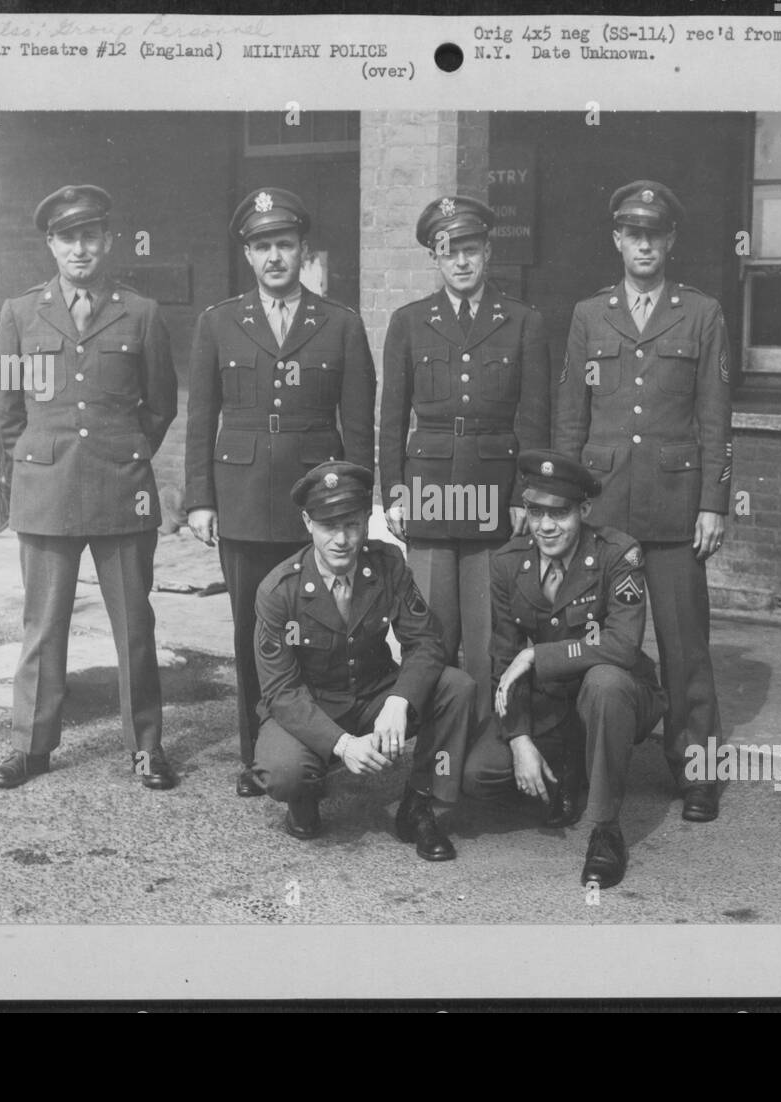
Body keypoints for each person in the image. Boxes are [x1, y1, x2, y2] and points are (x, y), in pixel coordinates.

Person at [0, 184, 179, 790]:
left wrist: (124, 448)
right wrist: (36, 453)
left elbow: (161, 404)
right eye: (67, 237)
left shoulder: (140, 311)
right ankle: (32, 747)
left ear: (108, 241)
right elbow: (4, 408)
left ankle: (146, 747)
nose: (80, 247)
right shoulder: (20, 313)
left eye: (90, 235)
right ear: (51, 244)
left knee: (135, 625)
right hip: (46, 491)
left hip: (122, 488)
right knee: (43, 625)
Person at [184, 188, 376, 798]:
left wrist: (357, 508)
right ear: (248, 253)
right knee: (253, 631)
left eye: (284, 245)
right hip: (240, 498)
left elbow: (359, 426)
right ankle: (256, 755)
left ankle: (320, 742)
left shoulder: (340, 323)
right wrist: (199, 499)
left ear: (302, 251)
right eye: (263, 246)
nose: (274, 257)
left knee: (322, 625)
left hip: (315, 504)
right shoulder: (218, 321)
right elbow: (200, 418)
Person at [554, 180, 733, 823]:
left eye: (654, 234)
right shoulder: (588, 315)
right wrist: (561, 502)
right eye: (633, 234)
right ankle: (583, 762)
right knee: (590, 637)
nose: (643, 244)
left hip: (675, 507)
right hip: (601, 506)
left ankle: (697, 770)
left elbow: (716, 419)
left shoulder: (701, 313)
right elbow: (570, 418)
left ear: (670, 242)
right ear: (617, 241)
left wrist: (713, 502)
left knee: (686, 645)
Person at [379, 196, 550, 720]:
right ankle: (434, 765)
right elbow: (391, 419)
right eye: (448, 250)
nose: (460, 261)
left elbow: (536, 420)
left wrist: (526, 495)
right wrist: (392, 494)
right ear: (435, 257)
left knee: (485, 639)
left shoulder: (523, 321)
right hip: (428, 492)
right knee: (430, 638)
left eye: (470, 249)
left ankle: (480, 757)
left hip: (494, 494)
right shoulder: (409, 322)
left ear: (488, 252)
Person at [252, 462, 474, 861]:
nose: (342, 539)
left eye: (352, 525)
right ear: (307, 522)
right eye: (328, 527)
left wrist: (400, 700)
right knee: (284, 773)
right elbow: (281, 691)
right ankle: (305, 797)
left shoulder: (387, 564)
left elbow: (426, 642)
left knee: (456, 687)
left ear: (366, 521)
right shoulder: (278, 591)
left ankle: (420, 804)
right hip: (313, 704)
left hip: (375, 695)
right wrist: (342, 744)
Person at [462, 451, 665, 888]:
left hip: (620, 694)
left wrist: (538, 656)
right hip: (551, 703)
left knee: (604, 682)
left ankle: (606, 830)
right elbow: (503, 659)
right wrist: (518, 740)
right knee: (479, 777)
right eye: (536, 512)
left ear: (584, 511)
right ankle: (566, 769)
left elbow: (622, 646)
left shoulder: (619, 554)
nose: (546, 526)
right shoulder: (508, 563)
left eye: (560, 513)